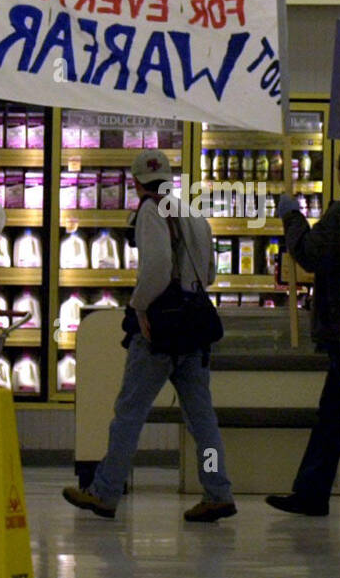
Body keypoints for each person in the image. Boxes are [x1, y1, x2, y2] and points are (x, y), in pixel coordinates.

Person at [63, 149, 236, 523]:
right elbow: (209, 275)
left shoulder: (148, 210)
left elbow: (156, 268)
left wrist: (139, 306)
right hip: (194, 330)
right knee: (202, 419)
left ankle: (105, 493)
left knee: (129, 413)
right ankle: (218, 491)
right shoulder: (192, 214)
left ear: (136, 181)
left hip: (159, 330)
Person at [267, 146, 340, 517]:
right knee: (333, 415)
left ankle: (312, 494)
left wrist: (292, 216)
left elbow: (310, 254)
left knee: (332, 415)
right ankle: (312, 492)